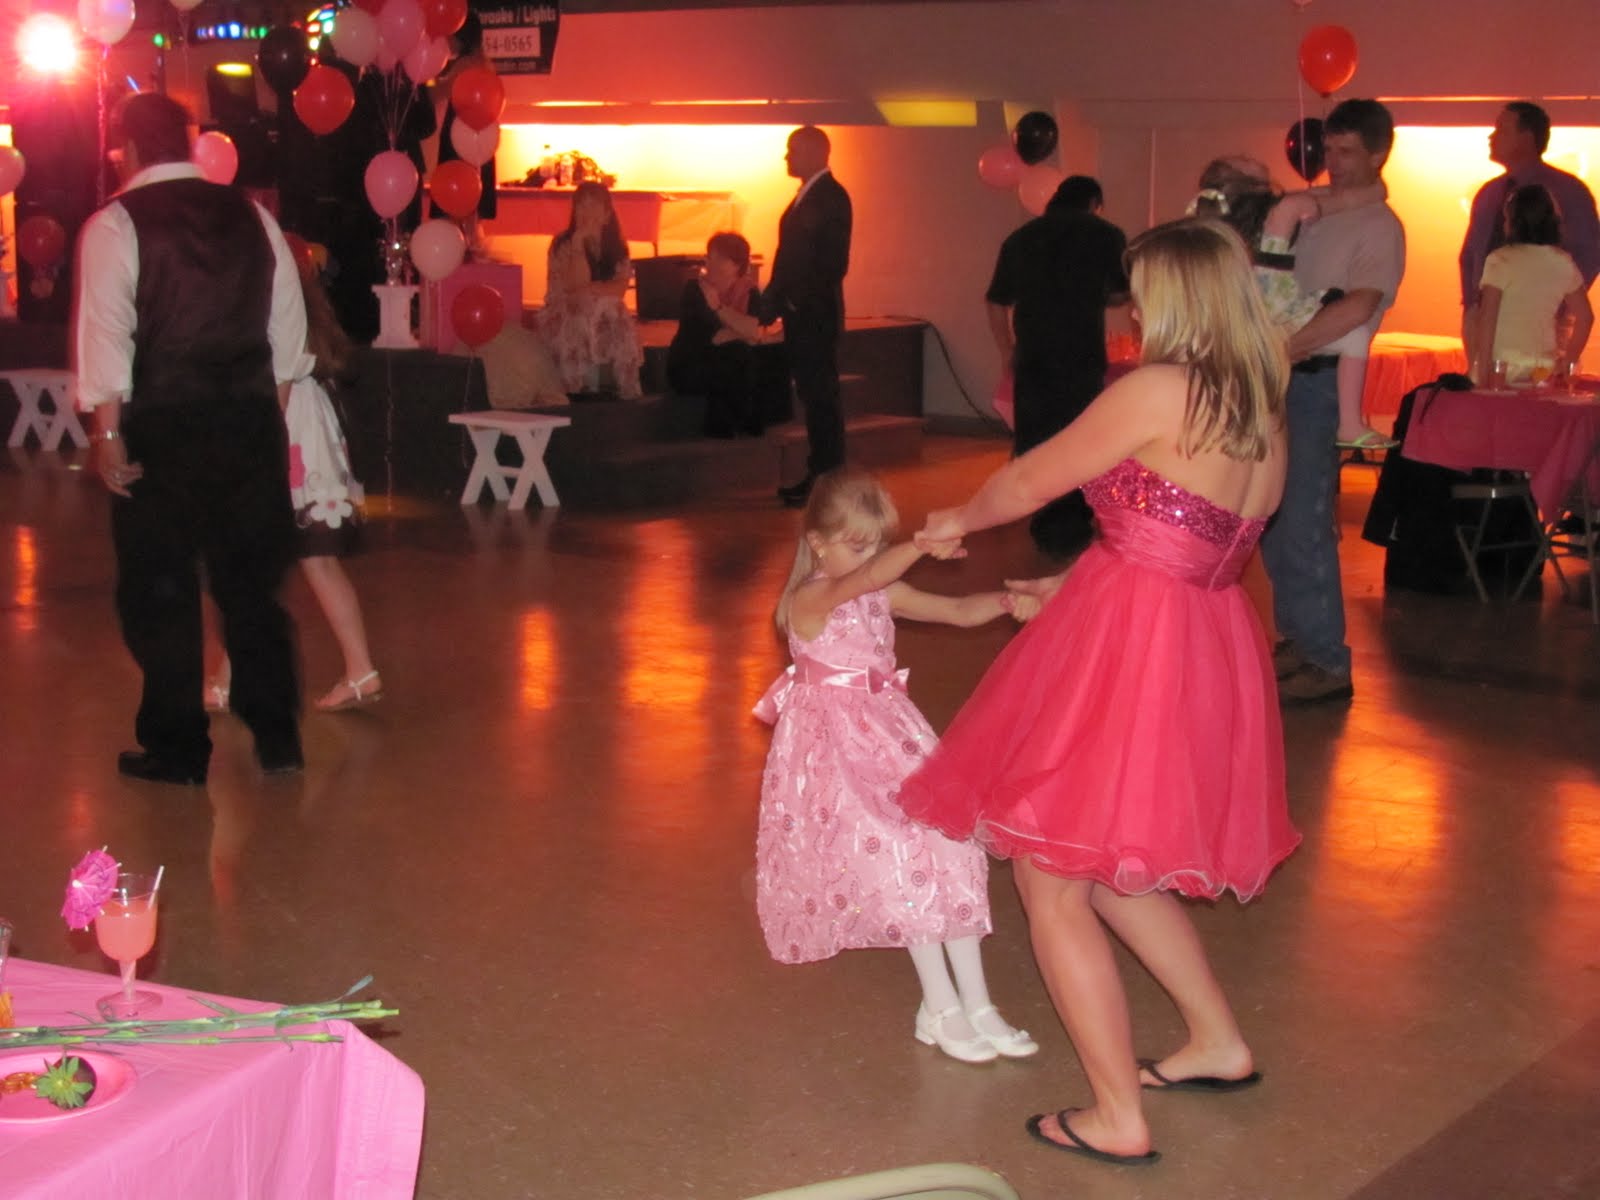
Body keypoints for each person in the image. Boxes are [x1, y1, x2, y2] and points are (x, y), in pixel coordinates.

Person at [897, 219, 1301, 1166]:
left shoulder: (1164, 386)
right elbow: (1185, 540)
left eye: (1143, 291)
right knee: (1109, 863)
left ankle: (1117, 1115)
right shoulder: (1259, 407)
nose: (1132, 309)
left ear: (1179, 297)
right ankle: (1216, 1042)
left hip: (1140, 645)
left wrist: (958, 516)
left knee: (1050, 872)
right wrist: (1071, 587)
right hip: (1196, 632)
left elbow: (1036, 476)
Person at [755, 467, 1037, 1064]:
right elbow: (869, 578)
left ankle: (977, 1004)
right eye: (855, 546)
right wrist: (917, 545)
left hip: (892, 733)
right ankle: (939, 1004)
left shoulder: (874, 590)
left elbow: (958, 610)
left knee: (951, 844)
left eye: (874, 544)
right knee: (903, 854)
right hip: (833, 753)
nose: (867, 560)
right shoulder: (813, 597)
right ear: (818, 544)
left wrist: (1011, 601)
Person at [76, 93, 307, 785]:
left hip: (163, 426)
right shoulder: (252, 216)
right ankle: (277, 736)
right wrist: (264, 416)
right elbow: (287, 337)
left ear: (128, 149)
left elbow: (106, 336)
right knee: (251, 588)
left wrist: (107, 431)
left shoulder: (116, 224)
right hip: (246, 421)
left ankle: (178, 748)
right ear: (187, 142)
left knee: (161, 589)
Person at [1263, 99, 1405, 705]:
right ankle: (1299, 638)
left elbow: (1357, 307)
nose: (1333, 164)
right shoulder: (1316, 212)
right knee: (1273, 517)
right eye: (1329, 151)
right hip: (1289, 375)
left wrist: (1283, 350)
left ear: (1377, 154)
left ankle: (1325, 658)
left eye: (1347, 152)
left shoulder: (1380, 228)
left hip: (1316, 380)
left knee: (1303, 518)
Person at [205, 242, 385, 715]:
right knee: (302, 561)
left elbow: (266, 381)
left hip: (286, 426)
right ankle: (357, 669)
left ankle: (229, 679)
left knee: (254, 560)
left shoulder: (269, 309)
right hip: (305, 424)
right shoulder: (298, 307)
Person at [1190, 157, 1394, 450]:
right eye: (1242, 160)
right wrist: (1376, 190)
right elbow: (1335, 204)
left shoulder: (1212, 217)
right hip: (1274, 305)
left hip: (1238, 311)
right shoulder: (1285, 207)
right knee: (1356, 335)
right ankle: (1350, 423)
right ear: (1250, 181)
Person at [986, 175, 1129, 556]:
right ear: (1094, 201)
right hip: (1080, 353)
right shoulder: (1106, 235)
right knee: (1079, 437)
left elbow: (996, 300)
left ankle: (1043, 519)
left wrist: (1006, 350)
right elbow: (1120, 291)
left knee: (1035, 439)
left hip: (1033, 353)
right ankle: (1074, 521)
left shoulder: (1021, 237)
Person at [1460, 102, 1600, 360]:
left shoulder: (1568, 191)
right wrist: (1471, 304)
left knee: (1533, 388)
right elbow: (1470, 254)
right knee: (1484, 390)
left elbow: (1589, 253)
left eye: (1502, 129)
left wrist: (1558, 303)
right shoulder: (1489, 192)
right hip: (1482, 313)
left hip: (1540, 320)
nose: (1491, 136)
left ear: (1527, 137)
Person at [762, 126, 853, 508]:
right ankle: (823, 472)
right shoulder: (810, 196)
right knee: (814, 394)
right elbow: (789, 255)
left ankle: (827, 475)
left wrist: (794, 300)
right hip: (803, 311)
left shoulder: (830, 197)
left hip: (814, 313)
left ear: (815, 152)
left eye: (792, 149)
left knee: (820, 396)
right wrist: (772, 297)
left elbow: (831, 264)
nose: (786, 157)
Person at [1470, 184, 1594, 386]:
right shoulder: (1562, 262)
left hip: (1502, 369)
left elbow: (1487, 320)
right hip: (1543, 370)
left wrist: (1482, 373)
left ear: (1513, 222)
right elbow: (1586, 318)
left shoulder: (1500, 260)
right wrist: (1569, 359)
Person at [538, 182, 644, 400]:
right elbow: (573, 286)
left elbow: (619, 289)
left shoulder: (617, 246)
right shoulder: (562, 243)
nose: (587, 213)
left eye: (594, 206)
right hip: (565, 311)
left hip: (602, 311)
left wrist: (591, 290)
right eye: (582, 206)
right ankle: (580, 388)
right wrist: (578, 244)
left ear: (606, 214)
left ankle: (621, 386)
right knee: (588, 307)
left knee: (610, 306)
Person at [667, 232, 767, 438]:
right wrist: (740, 331)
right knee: (738, 354)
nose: (710, 262)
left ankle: (731, 423)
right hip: (689, 365)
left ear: (737, 266)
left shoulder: (749, 292)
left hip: (723, 359)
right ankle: (737, 422)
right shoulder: (694, 290)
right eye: (709, 256)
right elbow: (714, 337)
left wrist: (719, 308)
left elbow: (754, 331)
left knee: (749, 356)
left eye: (719, 258)